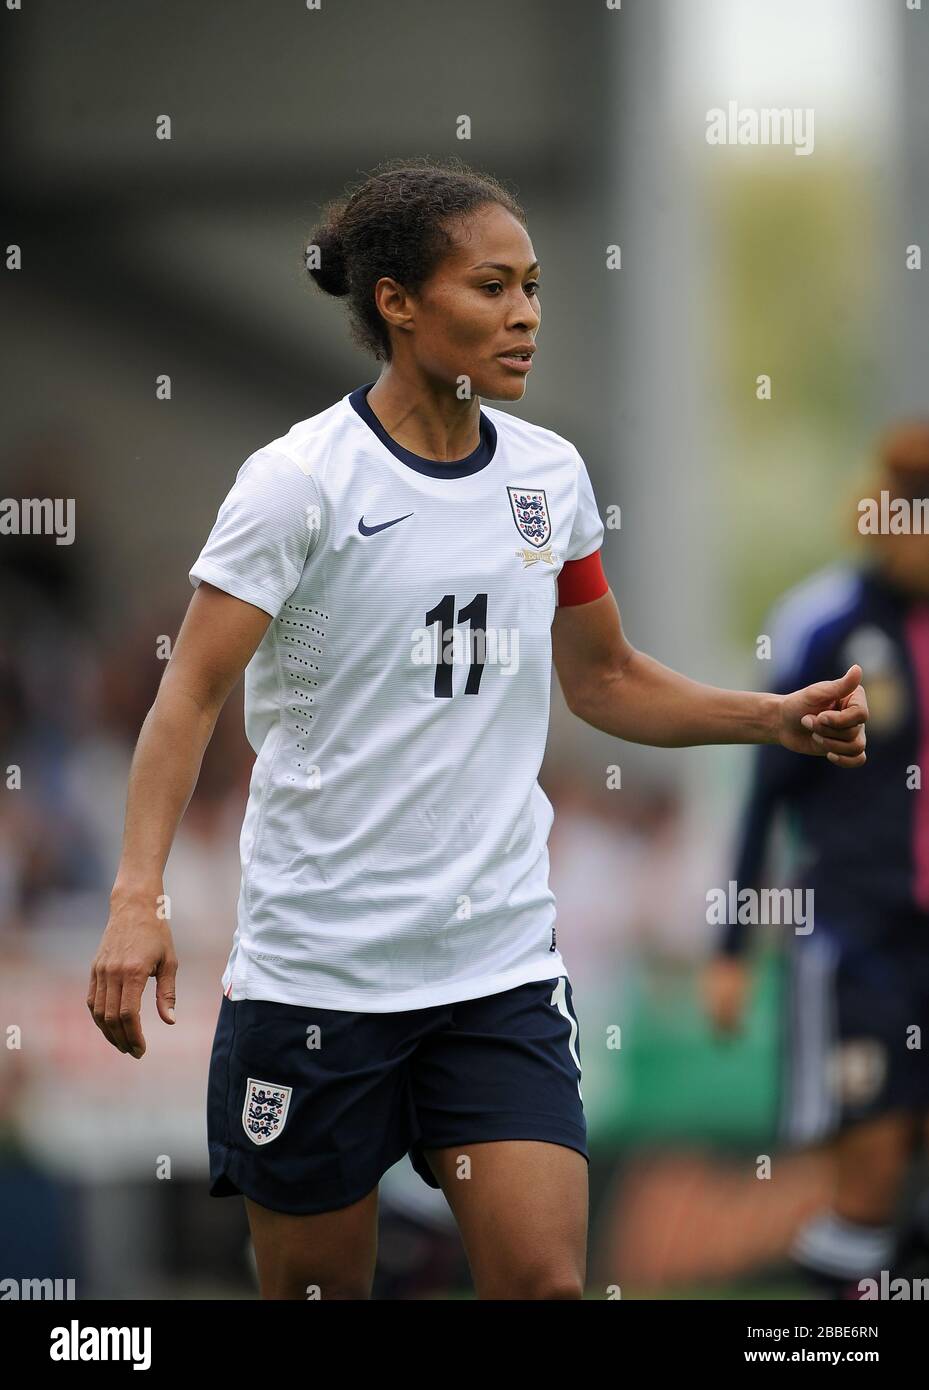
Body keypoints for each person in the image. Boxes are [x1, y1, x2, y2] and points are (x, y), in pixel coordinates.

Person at [88, 156, 868, 1300]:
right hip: (319, 980)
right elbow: (187, 699)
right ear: (397, 302)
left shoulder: (549, 477)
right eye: (491, 288)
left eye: (533, 288)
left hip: (494, 968)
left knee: (546, 1285)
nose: (525, 316)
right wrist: (135, 898)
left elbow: (601, 682)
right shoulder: (297, 481)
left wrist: (771, 719)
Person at [703, 420, 929, 1298]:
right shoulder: (823, 623)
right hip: (852, 935)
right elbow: (763, 795)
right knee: (869, 1158)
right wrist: (730, 952)